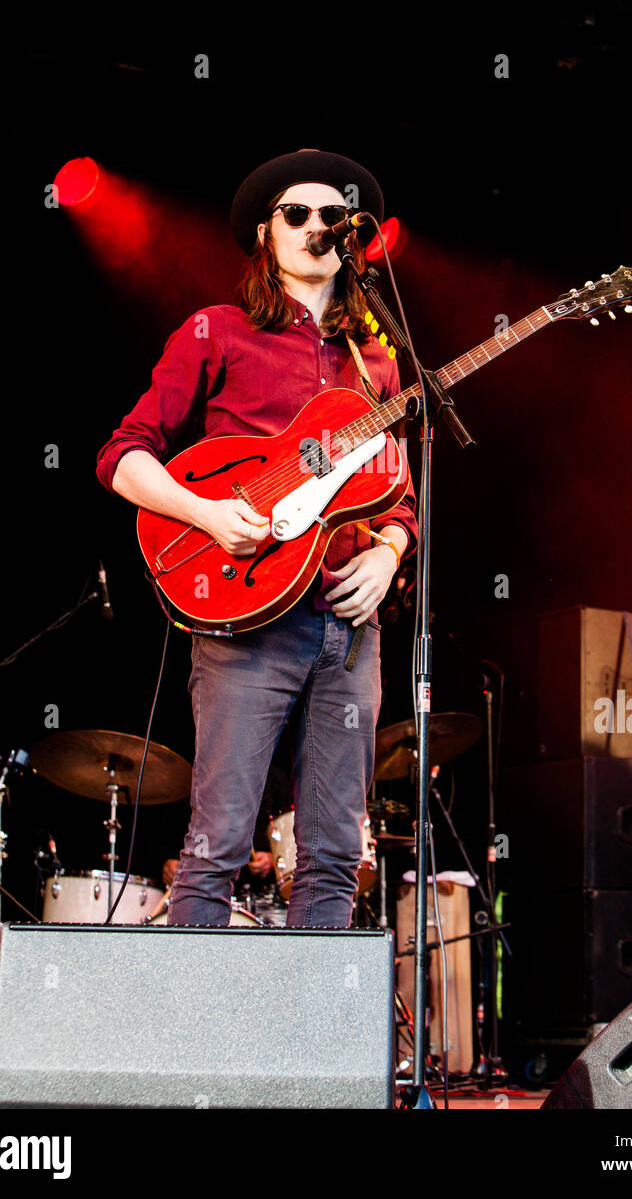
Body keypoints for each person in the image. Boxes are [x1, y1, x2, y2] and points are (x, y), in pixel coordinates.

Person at [96, 148, 417, 928]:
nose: (316, 225)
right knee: (218, 845)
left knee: (337, 851)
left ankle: (311, 1049)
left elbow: (397, 497)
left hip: (347, 625)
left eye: (332, 216)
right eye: (297, 214)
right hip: (246, 616)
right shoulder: (218, 332)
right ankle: (195, 1048)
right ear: (266, 237)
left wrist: (388, 551)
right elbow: (121, 455)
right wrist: (206, 515)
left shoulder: (376, 361)